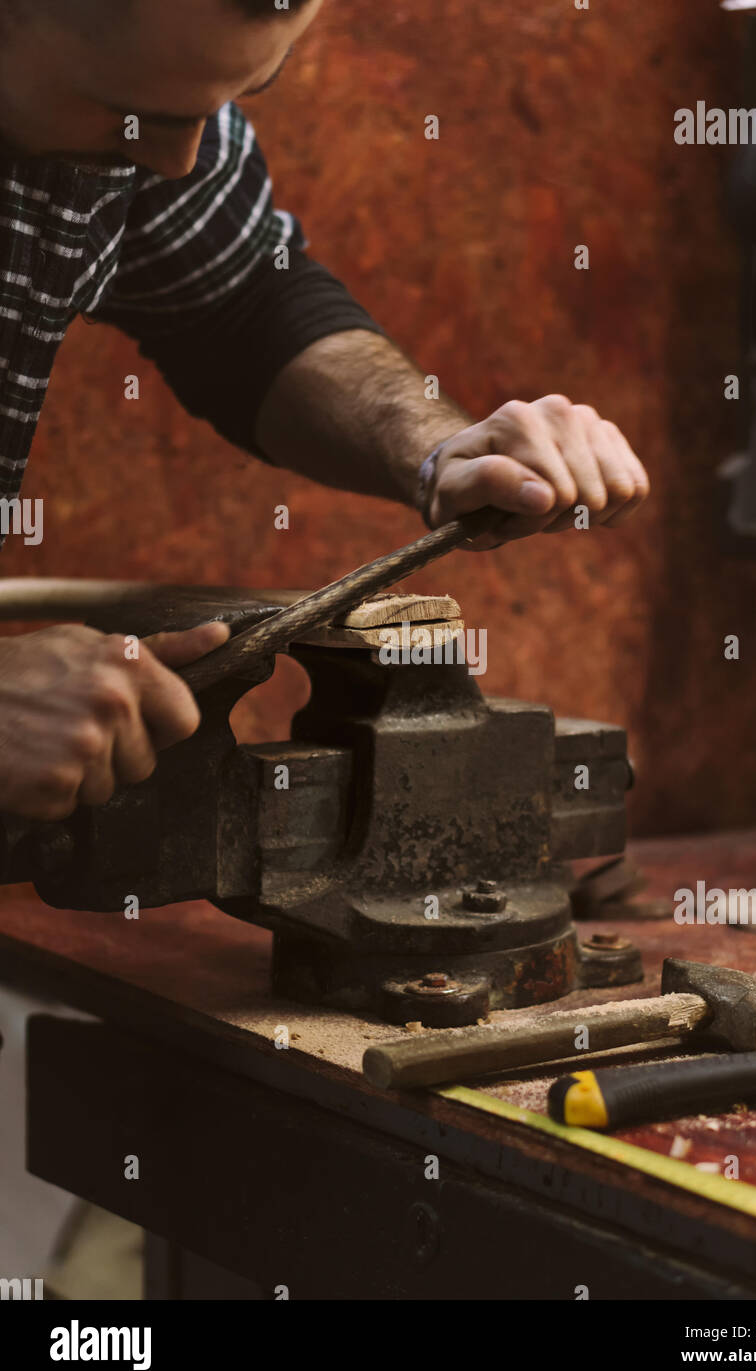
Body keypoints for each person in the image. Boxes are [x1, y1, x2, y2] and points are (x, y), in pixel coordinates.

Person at [0, 0, 649, 821]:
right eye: (133, 117)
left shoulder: (154, 91)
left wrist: (440, 447)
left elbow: (240, 306)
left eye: (242, 93)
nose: (177, 159)